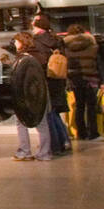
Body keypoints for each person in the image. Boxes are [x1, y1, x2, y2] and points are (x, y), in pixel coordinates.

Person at [11, 31, 53, 161]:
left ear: (21, 43)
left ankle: (24, 151)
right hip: (41, 93)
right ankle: (44, 153)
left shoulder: (22, 58)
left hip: (25, 95)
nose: (15, 43)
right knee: (42, 124)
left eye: (16, 41)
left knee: (21, 122)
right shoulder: (39, 55)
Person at [32, 14, 70, 155]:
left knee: (49, 113)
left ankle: (55, 145)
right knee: (54, 112)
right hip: (58, 78)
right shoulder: (56, 40)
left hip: (47, 79)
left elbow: (40, 62)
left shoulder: (37, 42)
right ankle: (64, 140)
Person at [63, 23, 100, 140]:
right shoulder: (92, 44)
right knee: (91, 106)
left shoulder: (66, 46)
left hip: (75, 79)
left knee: (79, 106)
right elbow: (98, 63)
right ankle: (93, 133)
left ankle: (81, 133)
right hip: (91, 78)